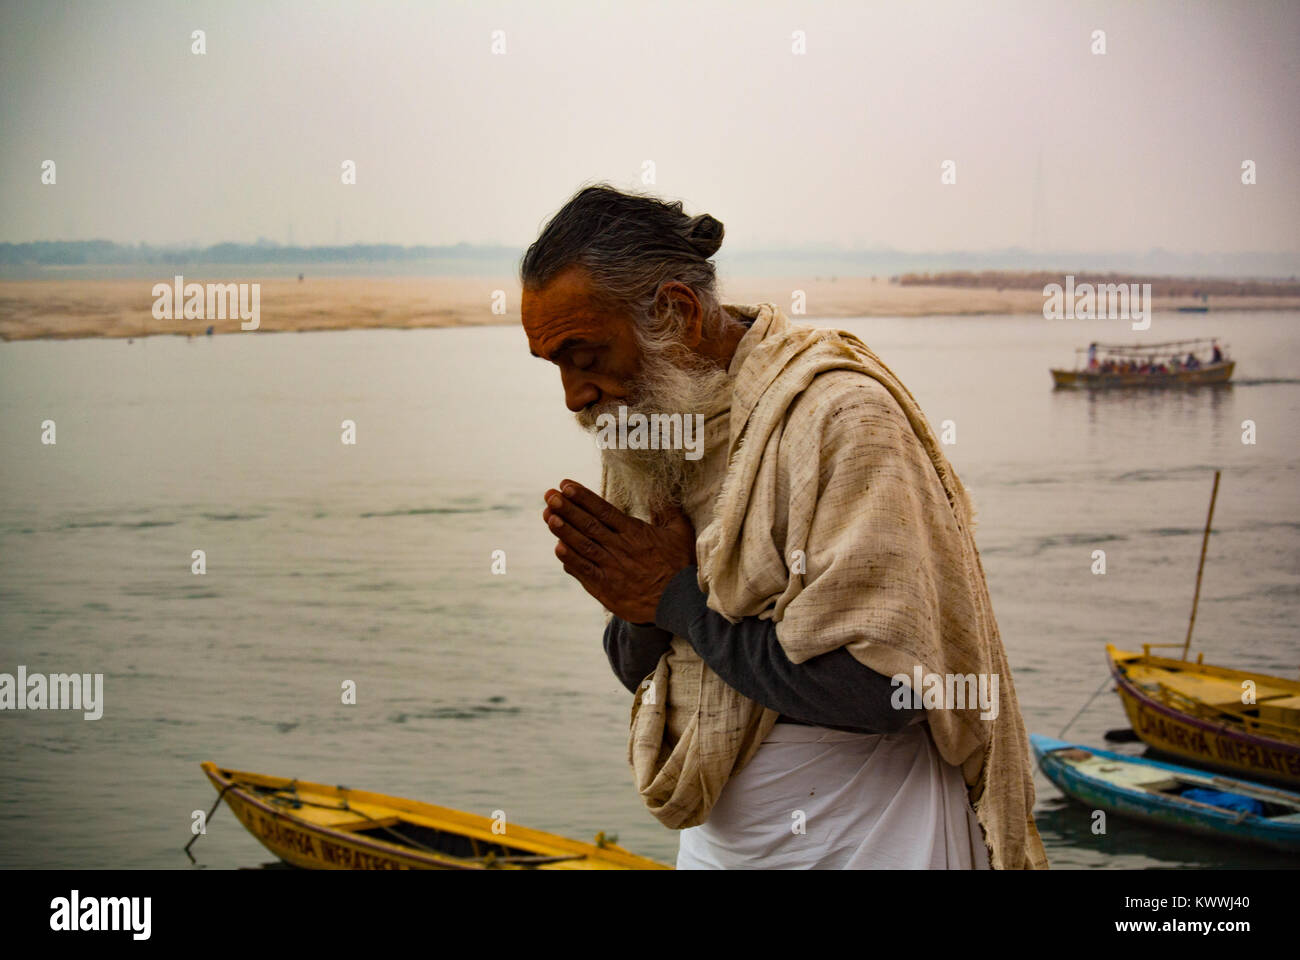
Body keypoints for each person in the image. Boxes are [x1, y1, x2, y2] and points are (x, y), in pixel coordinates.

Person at [519, 184, 1048, 870]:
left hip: (877, 836)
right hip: (722, 842)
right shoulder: (647, 433)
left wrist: (676, 599)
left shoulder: (841, 418)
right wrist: (647, 606)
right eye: (555, 366)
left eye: (585, 358)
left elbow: (886, 689)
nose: (574, 397)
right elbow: (644, 670)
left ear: (676, 313)